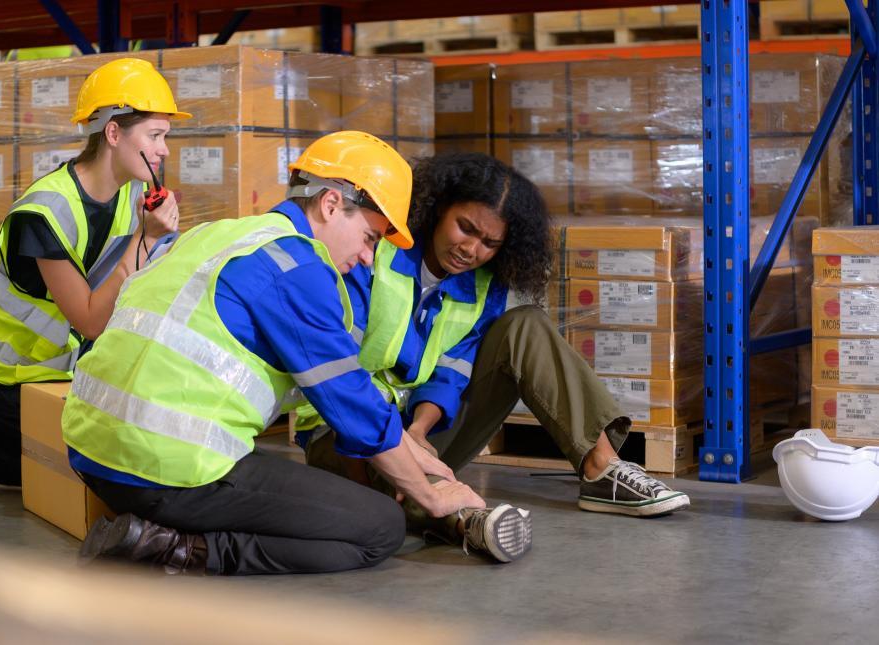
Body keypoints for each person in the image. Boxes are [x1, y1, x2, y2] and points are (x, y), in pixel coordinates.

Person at [61, 131, 530, 577]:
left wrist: (423, 457)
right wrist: (431, 498)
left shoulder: (224, 234)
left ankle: (154, 531)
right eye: (370, 237)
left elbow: (357, 393)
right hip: (168, 469)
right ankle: (178, 549)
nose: (369, 257)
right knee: (380, 527)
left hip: (92, 456)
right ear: (330, 204)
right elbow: (351, 407)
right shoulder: (297, 268)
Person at [296, 153, 690, 537]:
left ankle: (602, 469)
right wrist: (399, 448)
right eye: (465, 228)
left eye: (490, 243)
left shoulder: (483, 286)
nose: (472, 250)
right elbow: (338, 378)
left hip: (413, 432)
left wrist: (418, 431)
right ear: (438, 209)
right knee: (398, 490)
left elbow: (451, 372)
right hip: (345, 435)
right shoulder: (372, 251)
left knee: (526, 324)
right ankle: (466, 521)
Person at [0, 58, 189, 489]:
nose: (164, 149)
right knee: (21, 476)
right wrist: (142, 241)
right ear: (112, 133)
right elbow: (88, 317)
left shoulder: (131, 198)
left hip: (72, 363)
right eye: (155, 136)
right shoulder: (44, 213)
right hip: (10, 370)